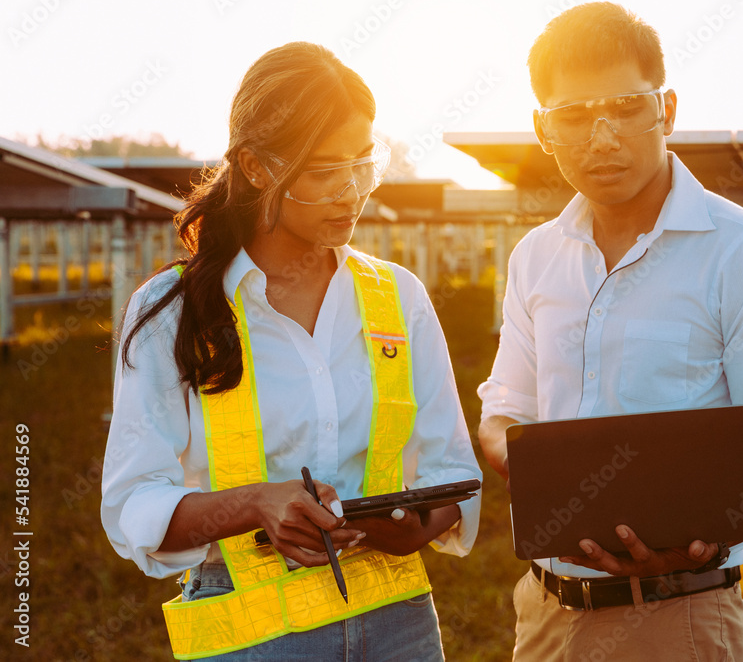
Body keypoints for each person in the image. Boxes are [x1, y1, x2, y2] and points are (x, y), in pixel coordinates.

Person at [101, 42, 481, 661]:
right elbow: (132, 506)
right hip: (251, 639)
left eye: (362, 164)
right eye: (325, 171)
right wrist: (256, 503)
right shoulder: (171, 311)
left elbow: (452, 477)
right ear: (255, 166)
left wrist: (413, 525)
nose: (351, 191)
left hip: (399, 629)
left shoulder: (398, 299)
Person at [477, 2, 743, 661]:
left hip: (680, 619)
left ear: (667, 109)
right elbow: (503, 413)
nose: (602, 137)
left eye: (626, 108)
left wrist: (695, 528)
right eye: (573, 116)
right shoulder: (536, 257)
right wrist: (533, 467)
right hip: (546, 617)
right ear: (541, 130)